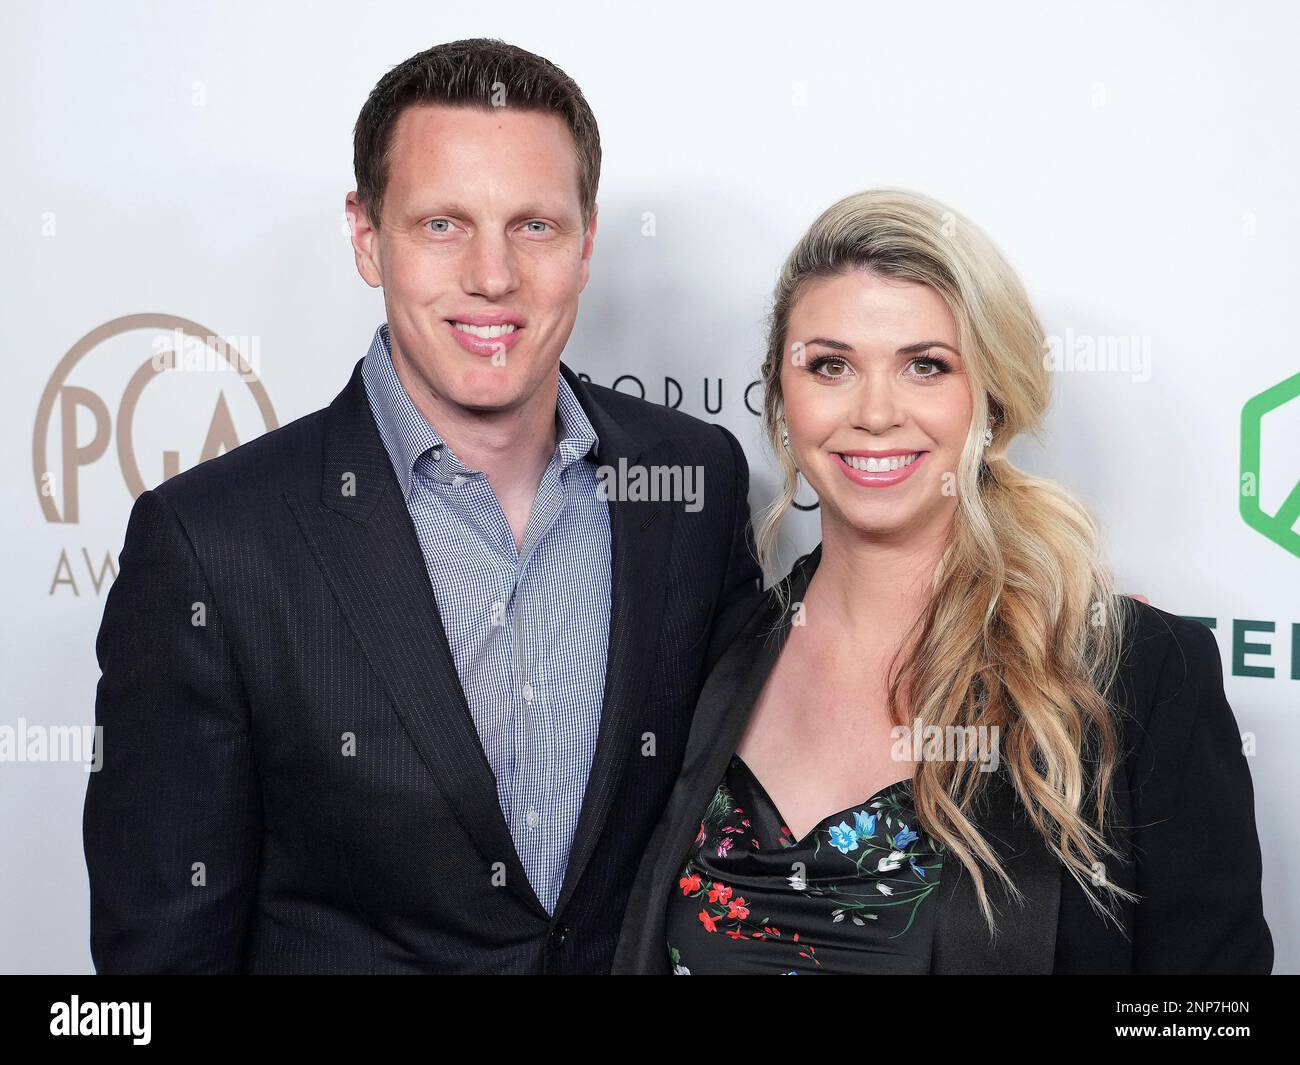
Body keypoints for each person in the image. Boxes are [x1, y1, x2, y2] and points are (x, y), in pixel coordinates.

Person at [82, 38, 761, 974]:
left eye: (535, 226)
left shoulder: (692, 483)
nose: (492, 275)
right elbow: (161, 960)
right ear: (367, 237)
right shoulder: (212, 544)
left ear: (588, 242)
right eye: (443, 224)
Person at [613, 187, 1273, 975]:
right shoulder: (709, 654)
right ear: (782, 400)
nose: (876, 412)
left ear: (989, 401)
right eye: (831, 365)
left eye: (925, 366)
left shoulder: (1134, 673)